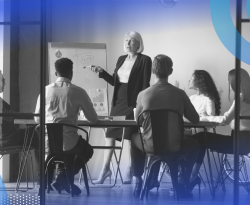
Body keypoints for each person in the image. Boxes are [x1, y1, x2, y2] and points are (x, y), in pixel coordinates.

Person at [130, 54, 200, 197]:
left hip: (150, 146)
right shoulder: (180, 94)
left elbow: (139, 122)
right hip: (175, 146)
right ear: (171, 71)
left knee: (133, 139)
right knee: (196, 145)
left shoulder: (142, 94)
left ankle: (138, 180)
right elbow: (195, 119)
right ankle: (182, 180)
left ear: (152, 71)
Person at [89, 31, 152, 184]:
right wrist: (102, 73)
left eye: (132, 40)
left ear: (138, 44)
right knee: (109, 135)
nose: (128, 43)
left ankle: (131, 169)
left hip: (133, 103)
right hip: (117, 102)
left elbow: (145, 84)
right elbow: (114, 81)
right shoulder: (121, 59)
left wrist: (141, 105)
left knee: (131, 137)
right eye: (126, 40)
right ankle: (105, 170)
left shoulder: (145, 60)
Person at [35, 58, 98, 196]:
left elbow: (37, 118)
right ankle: (62, 177)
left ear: (56, 72)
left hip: (47, 145)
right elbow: (93, 119)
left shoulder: (44, 91)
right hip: (70, 144)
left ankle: (60, 178)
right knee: (87, 150)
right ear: (71, 72)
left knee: (56, 151)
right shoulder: (78, 92)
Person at [189, 68, 250, 194]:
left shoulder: (240, 99)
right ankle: (192, 177)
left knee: (199, 138)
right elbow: (234, 121)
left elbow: (225, 120)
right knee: (201, 137)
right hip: (244, 142)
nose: (227, 83)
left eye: (228, 80)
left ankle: (191, 177)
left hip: (237, 143)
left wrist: (204, 117)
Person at [0, 68, 39, 178]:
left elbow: (7, 116)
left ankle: (46, 176)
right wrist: (36, 115)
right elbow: (10, 116)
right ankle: (44, 177)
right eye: (3, 79)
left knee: (37, 132)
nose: (5, 83)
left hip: (0, 139)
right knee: (39, 134)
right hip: (5, 140)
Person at [187, 70, 221, 134]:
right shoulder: (191, 98)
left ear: (198, 82)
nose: (189, 81)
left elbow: (211, 116)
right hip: (191, 132)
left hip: (202, 135)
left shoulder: (208, 98)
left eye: (191, 78)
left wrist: (198, 118)